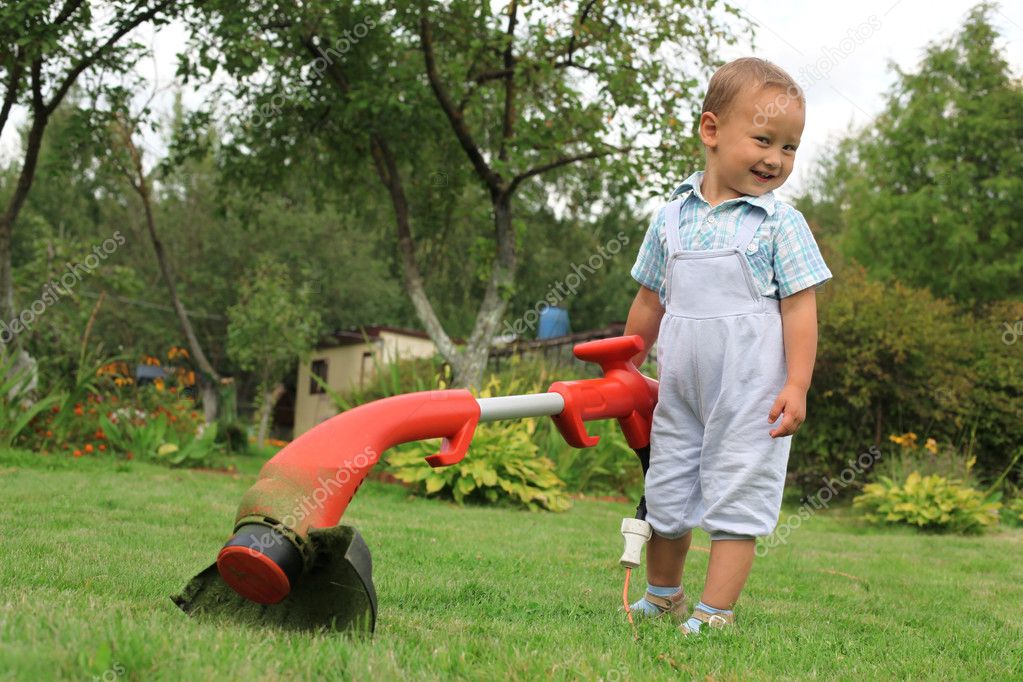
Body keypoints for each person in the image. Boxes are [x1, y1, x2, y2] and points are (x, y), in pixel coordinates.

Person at [623, 57, 832, 635]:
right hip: (680, 392)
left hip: (750, 393)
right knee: (666, 489)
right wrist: (626, 361)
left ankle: (715, 613)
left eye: (789, 148)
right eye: (764, 139)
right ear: (711, 131)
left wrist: (796, 383)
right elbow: (649, 301)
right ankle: (663, 596)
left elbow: (800, 308)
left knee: (736, 495)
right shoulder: (670, 220)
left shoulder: (780, 224)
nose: (776, 159)